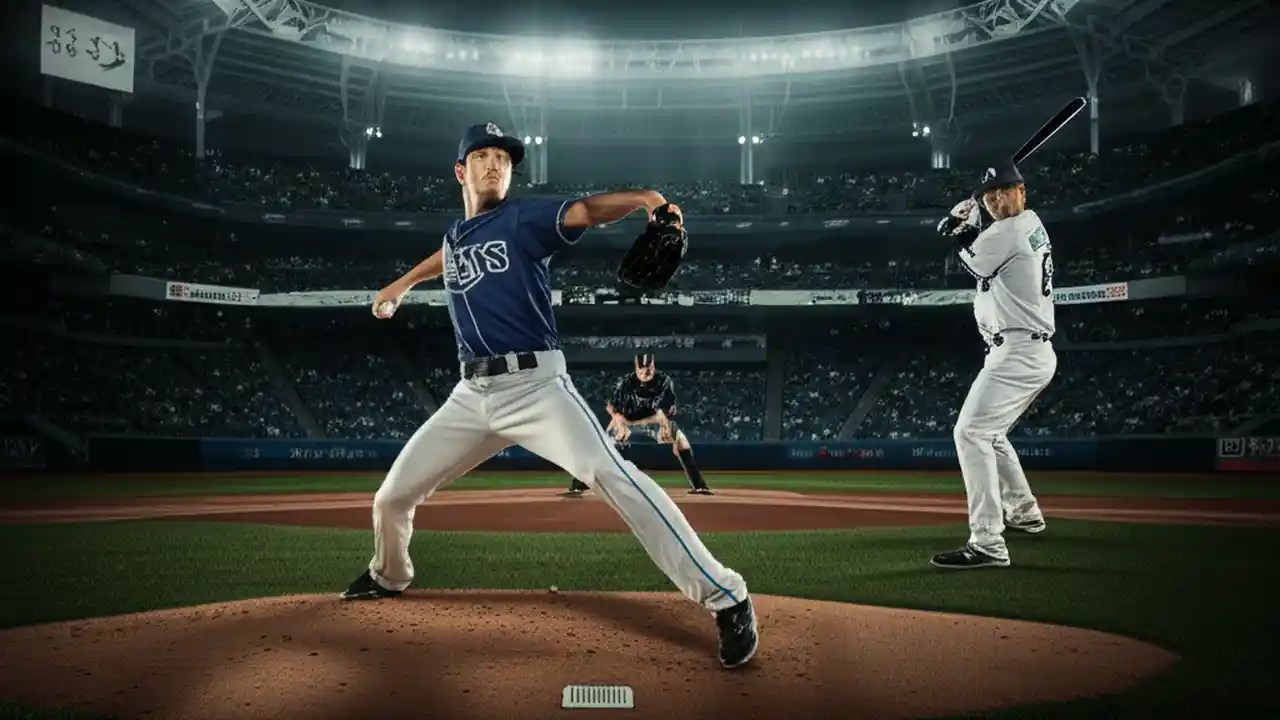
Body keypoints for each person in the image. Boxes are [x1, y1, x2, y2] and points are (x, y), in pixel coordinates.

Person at [338, 122, 758, 669]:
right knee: (391, 499)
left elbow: (584, 211)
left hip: (537, 388)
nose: (494, 164)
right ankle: (389, 575)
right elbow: (446, 256)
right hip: (471, 395)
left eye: (504, 159)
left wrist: (647, 200)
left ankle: (727, 596)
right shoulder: (456, 235)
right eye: (482, 155)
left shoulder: (524, 219)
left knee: (615, 476)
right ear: (461, 171)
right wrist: (402, 284)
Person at [931, 158, 1055, 570]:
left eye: (1005, 190)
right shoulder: (1030, 224)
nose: (998, 200)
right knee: (992, 435)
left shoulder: (1011, 229)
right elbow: (984, 249)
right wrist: (968, 227)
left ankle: (987, 542)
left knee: (969, 433)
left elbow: (967, 261)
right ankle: (1025, 512)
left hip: (1018, 350)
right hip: (1025, 348)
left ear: (1023, 191)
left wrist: (956, 227)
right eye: (990, 195)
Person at [566, 353, 714, 496]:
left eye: (648, 370)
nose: (645, 373)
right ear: (636, 368)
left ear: (653, 367)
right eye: (641, 370)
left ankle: (699, 485)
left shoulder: (664, 381)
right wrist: (619, 421)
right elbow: (611, 406)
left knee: (681, 442)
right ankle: (579, 484)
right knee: (601, 446)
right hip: (626, 421)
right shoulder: (627, 382)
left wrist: (665, 425)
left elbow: (666, 410)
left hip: (653, 421)